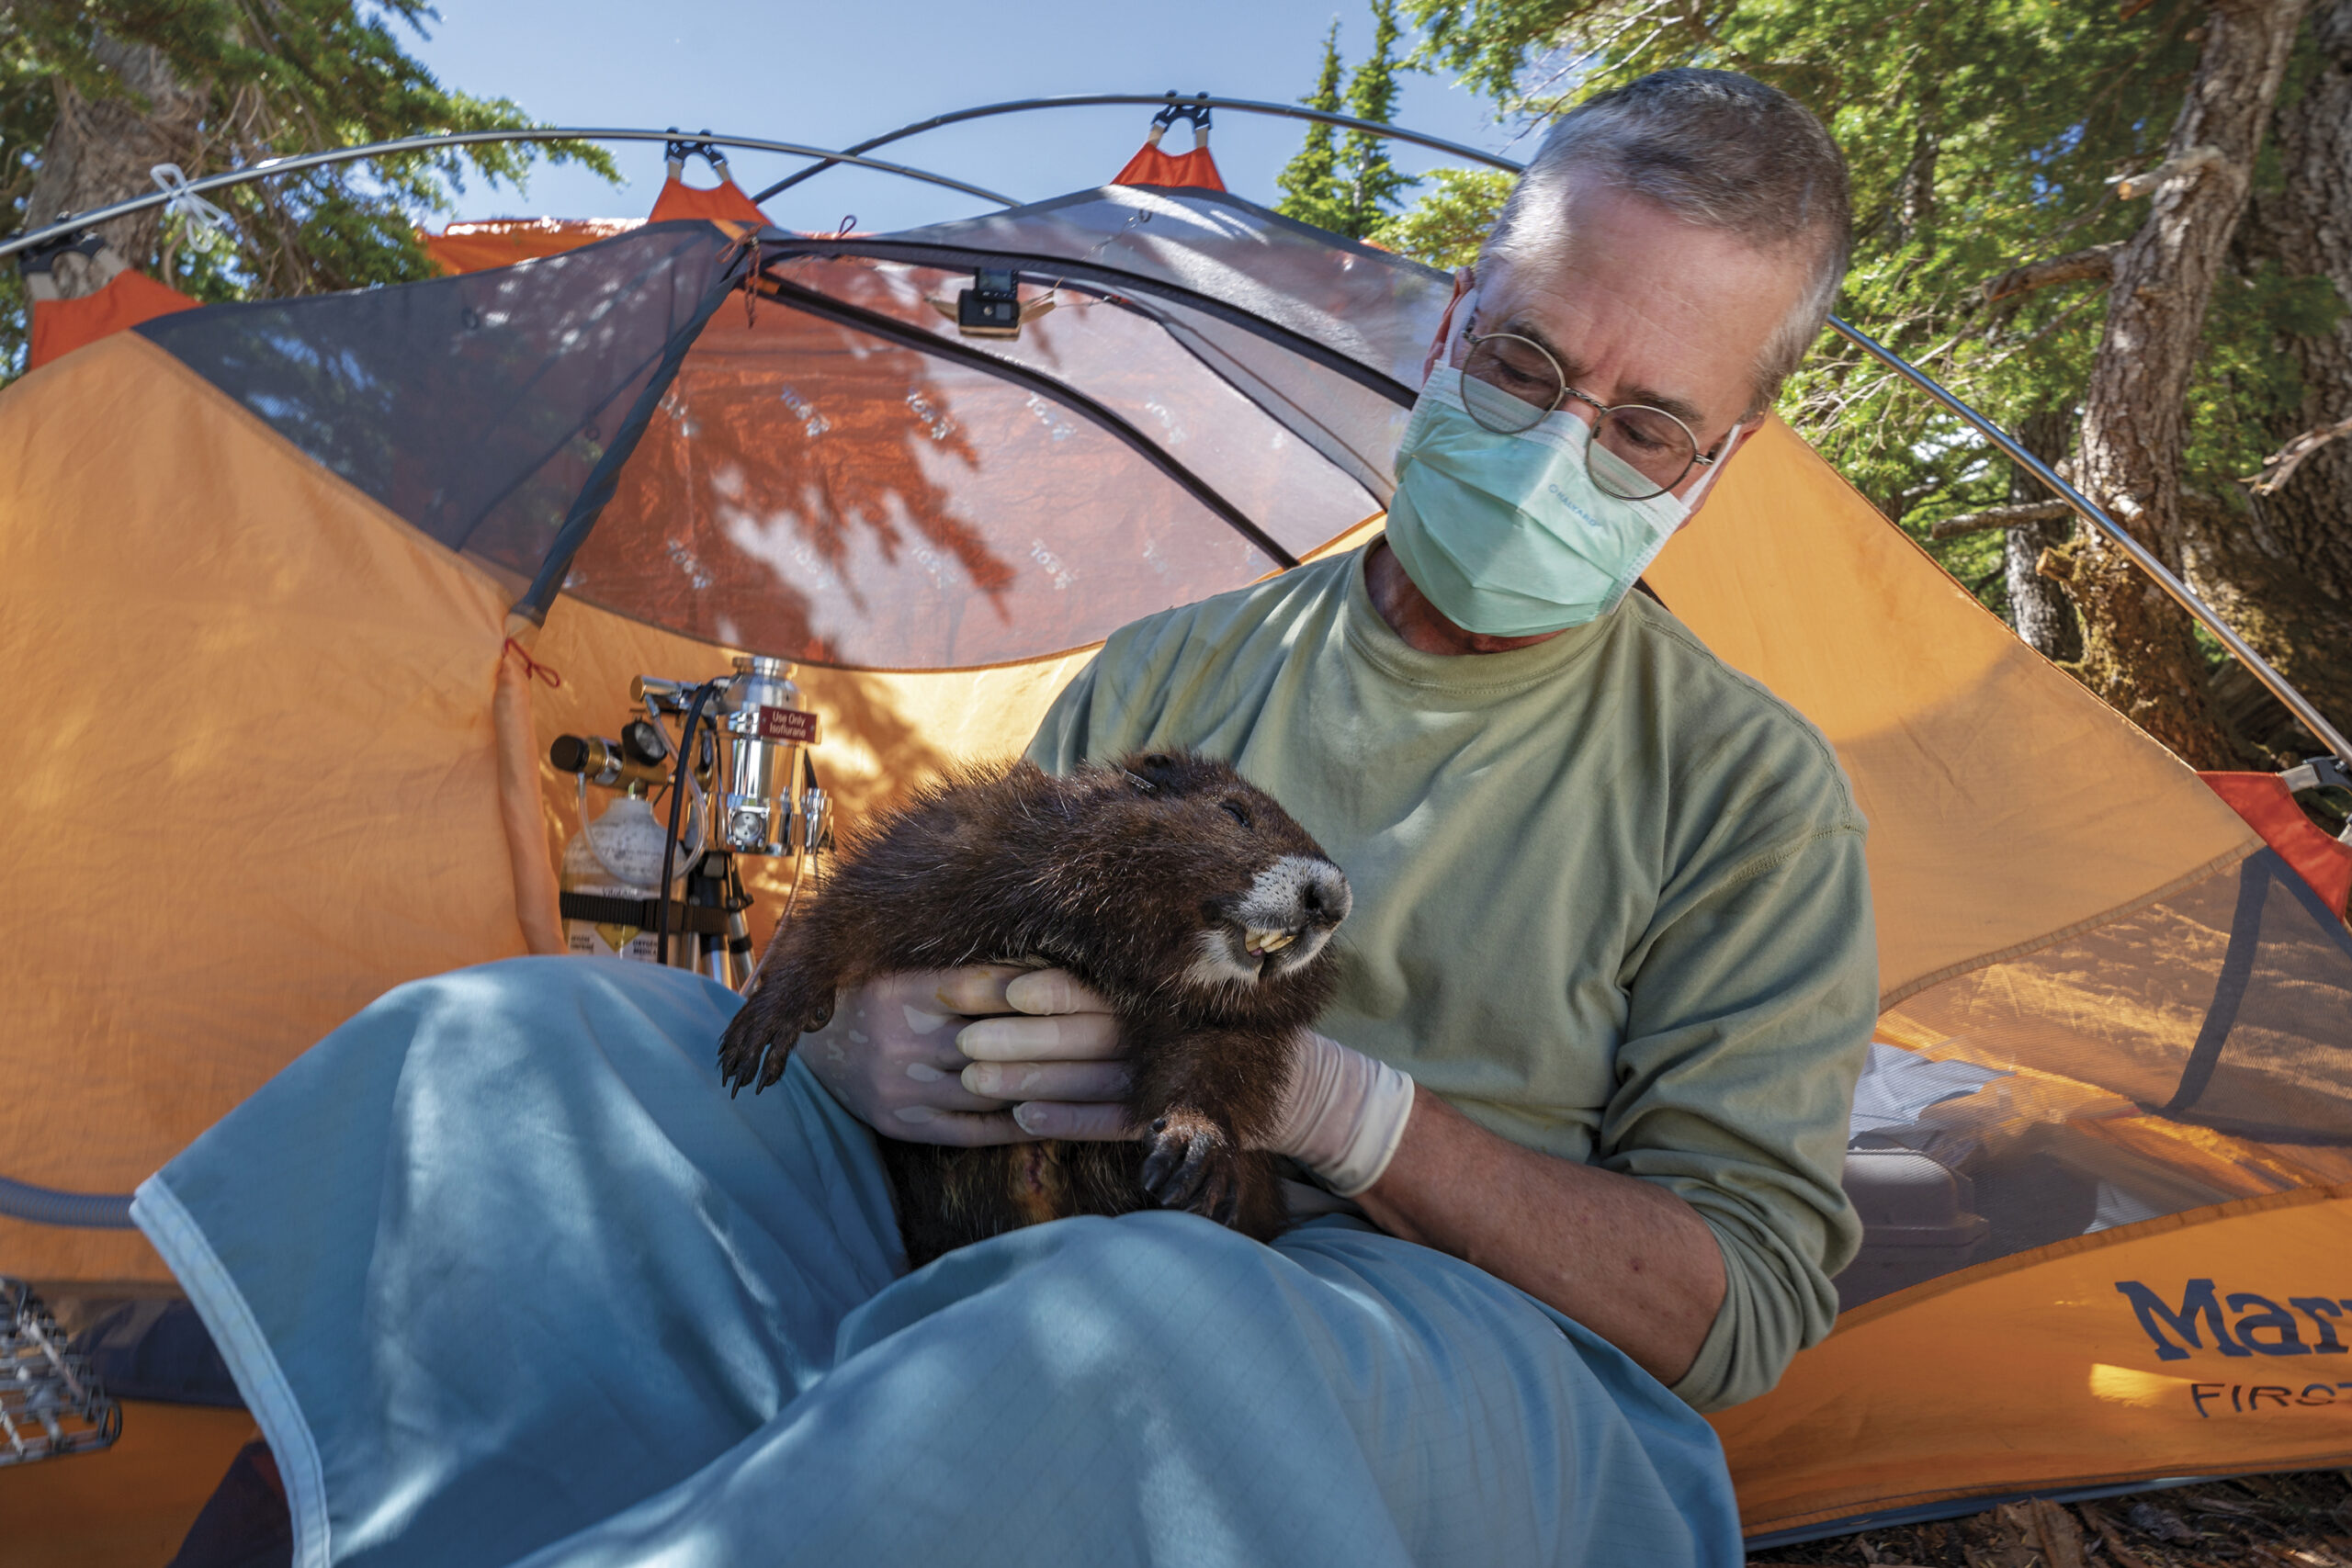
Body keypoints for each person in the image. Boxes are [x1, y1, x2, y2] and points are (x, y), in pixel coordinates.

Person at [138, 68, 1872, 1568]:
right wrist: (863, 1042)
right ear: (1447, 330)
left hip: (1453, 1342)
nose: (1559, 448)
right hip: (1055, 1214)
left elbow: (1734, 1314)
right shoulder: (1177, 674)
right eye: (1522, 362)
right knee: (525, 1048)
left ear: (1720, 459)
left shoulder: (1751, 795)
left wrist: (1336, 1112)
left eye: (1648, 428)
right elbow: (955, 914)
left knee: (1123, 1327)